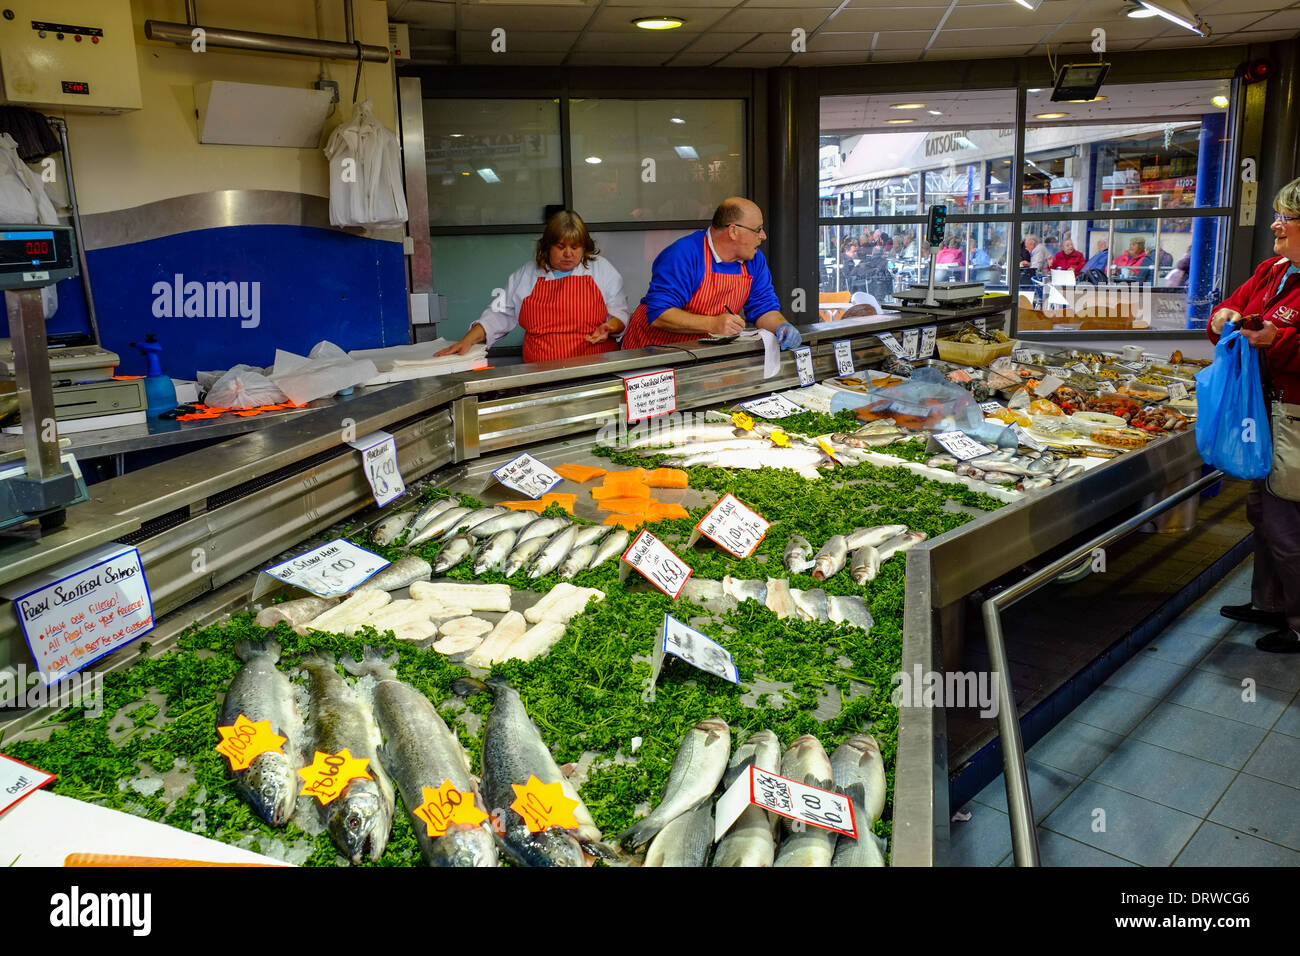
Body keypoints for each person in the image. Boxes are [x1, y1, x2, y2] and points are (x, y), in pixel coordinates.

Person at [1208, 178, 1300, 653]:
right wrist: (1223, 316)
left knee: (1288, 525)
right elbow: (1232, 306)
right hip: (1261, 415)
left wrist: (1275, 341)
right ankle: (1269, 603)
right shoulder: (1273, 270)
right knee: (1261, 514)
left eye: (1286, 218)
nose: (1275, 225)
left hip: (1294, 421)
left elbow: (1283, 342)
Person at [437, 209, 627, 363]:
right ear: (547, 247)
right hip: (540, 376)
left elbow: (620, 313)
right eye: (561, 247)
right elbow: (498, 314)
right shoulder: (527, 275)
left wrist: (611, 326)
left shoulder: (600, 269)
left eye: (575, 247)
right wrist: (467, 341)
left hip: (594, 372)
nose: (568, 254)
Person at [620, 197, 801, 350]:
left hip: (699, 351)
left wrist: (781, 326)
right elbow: (660, 314)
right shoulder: (684, 254)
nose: (763, 236)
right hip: (652, 352)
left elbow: (764, 308)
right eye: (757, 230)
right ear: (733, 231)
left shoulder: (754, 260)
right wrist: (713, 324)